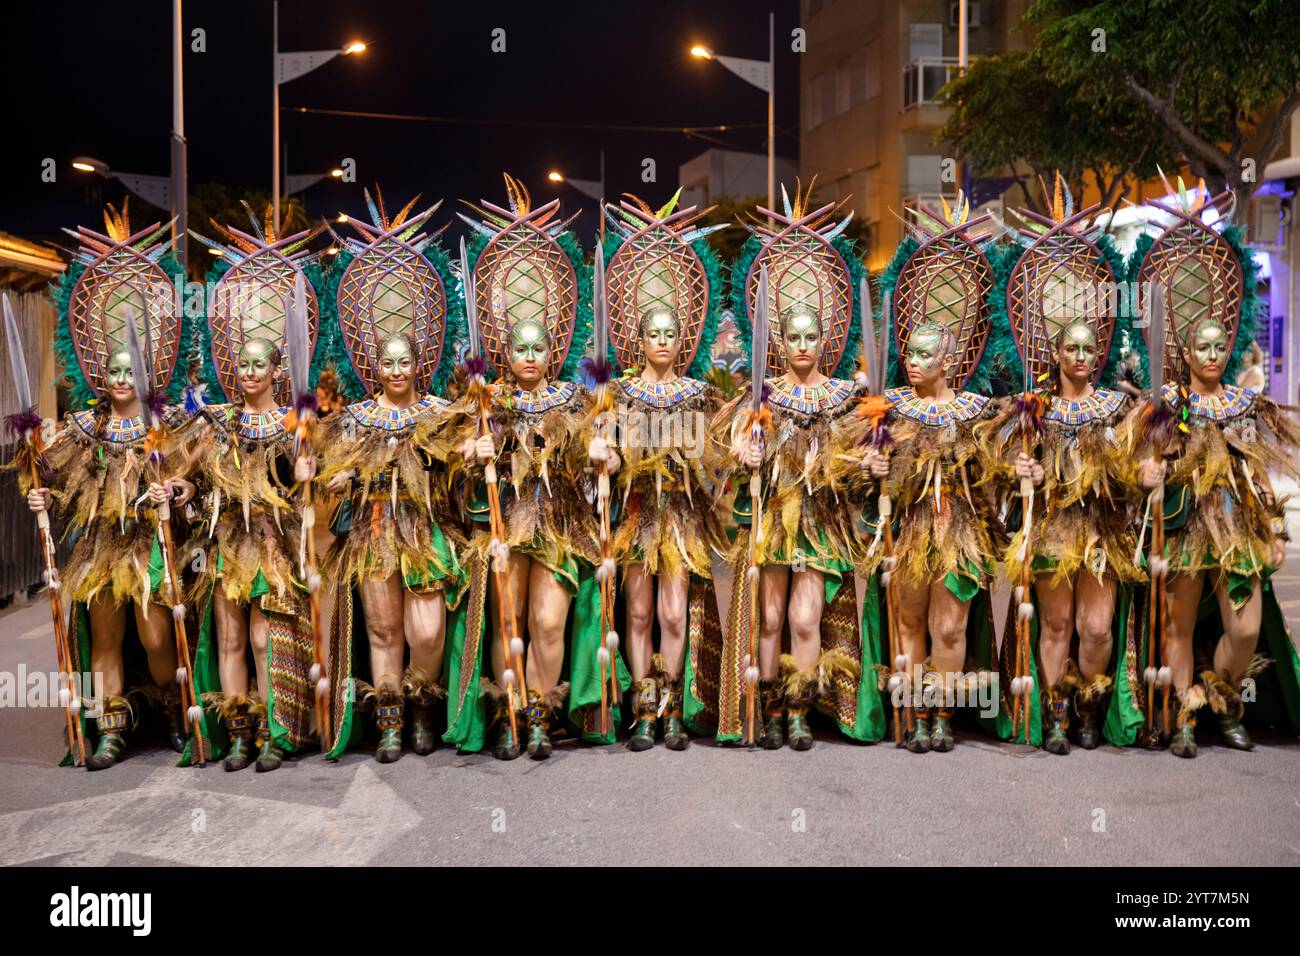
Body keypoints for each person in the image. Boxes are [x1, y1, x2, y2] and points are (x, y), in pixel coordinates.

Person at [438, 317, 624, 759]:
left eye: (538, 348)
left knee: (547, 622)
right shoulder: (486, 401)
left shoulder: (574, 401)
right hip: (504, 521)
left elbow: (602, 454)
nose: (529, 357)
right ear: (505, 353)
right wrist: (472, 451)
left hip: (559, 524)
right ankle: (510, 709)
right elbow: (448, 456)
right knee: (509, 620)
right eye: (520, 349)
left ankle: (540, 711)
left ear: (552, 353)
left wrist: (607, 458)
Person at [1130, 317, 1300, 757]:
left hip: (1236, 524)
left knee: (1245, 630)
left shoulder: (1243, 405)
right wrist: (1146, 472)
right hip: (1183, 524)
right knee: (1177, 626)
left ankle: (1224, 701)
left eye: (1219, 347)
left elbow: (1259, 470)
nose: (1211, 355)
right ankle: (1186, 713)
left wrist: (1276, 528)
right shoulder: (1167, 402)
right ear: (1185, 355)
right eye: (1201, 348)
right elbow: (1137, 458)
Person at [24, 345, 196, 769]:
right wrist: (43, 496)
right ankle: (110, 729)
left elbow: (194, 480)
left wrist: (173, 491)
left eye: (128, 371)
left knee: (156, 636)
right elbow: (64, 489)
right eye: (112, 371)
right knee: (105, 635)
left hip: (150, 544)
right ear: (100, 376)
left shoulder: (167, 422)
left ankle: (172, 708)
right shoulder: (84, 428)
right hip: (100, 544)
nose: (120, 379)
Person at [983, 320, 1141, 752]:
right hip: (1052, 528)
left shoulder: (1114, 407)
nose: (1079, 356)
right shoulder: (1036, 409)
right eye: (1070, 348)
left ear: (1098, 356)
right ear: (1055, 355)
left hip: (1100, 532)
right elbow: (1003, 468)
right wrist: (1025, 472)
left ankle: (1089, 707)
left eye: (1088, 349)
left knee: (1095, 628)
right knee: (1054, 624)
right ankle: (1055, 714)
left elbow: (1133, 468)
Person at [718, 307, 869, 750]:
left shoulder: (844, 397)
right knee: (768, 618)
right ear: (780, 343)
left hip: (818, 524)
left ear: (825, 342)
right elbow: (731, 456)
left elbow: (857, 464)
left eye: (811, 337)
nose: (802, 345)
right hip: (770, 520)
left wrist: (867, 463)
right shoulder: (760, 396)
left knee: (804, 619)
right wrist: (745, 456)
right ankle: (770, 706)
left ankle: (799, 706)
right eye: (793, 337)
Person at [319, 332, 464, 762]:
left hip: (425, 528)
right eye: (388, 363)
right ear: (375, 368)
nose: (396, 371)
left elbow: (462, 460)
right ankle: (391, 720)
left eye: (404, 362)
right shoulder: (356, 417)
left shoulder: (440, 412)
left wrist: (472, 448)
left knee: (428, 630)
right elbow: (335, 463)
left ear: (419, 364)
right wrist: (341, 475)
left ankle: (422, 701)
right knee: (383, 631)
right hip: (374, 527)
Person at [861, 321, 1001, 753]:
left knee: (951, 627)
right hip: (908, 529)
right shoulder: (892, 408)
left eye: (924, 355)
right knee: (908, 620)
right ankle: (914, 711)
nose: (913, 362)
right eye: (910, 354)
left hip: (958, 529)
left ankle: (942, 713)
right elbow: (863, 467)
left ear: (950, 361)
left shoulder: (977, 411)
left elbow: (995, 471)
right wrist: (873, 466)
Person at [181, 338, 314, 771]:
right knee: (231, 638)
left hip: (275, 542)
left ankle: (274, 730)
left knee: (263, 638)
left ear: (277, 372)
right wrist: (183, 487)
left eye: (261, 365)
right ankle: (238, 731)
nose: (251, 372)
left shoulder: (294, 421)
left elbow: (314, 478)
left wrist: (308, 470)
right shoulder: (218, 422)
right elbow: (187, 473)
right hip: (227, 542)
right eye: (244, 364)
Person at [613, 309, 724, 751]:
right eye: (652, 334)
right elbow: (604, 451)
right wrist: (607, 456)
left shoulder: (700, 396)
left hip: (680, 515)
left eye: (669, 334)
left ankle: (672, 706)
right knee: (638, 614)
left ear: (683, 340)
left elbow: (716, 457)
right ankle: (644, 710)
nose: (661, 341)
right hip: (637, 515)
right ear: (639, 340)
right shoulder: (619, 395)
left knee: (673, 614)